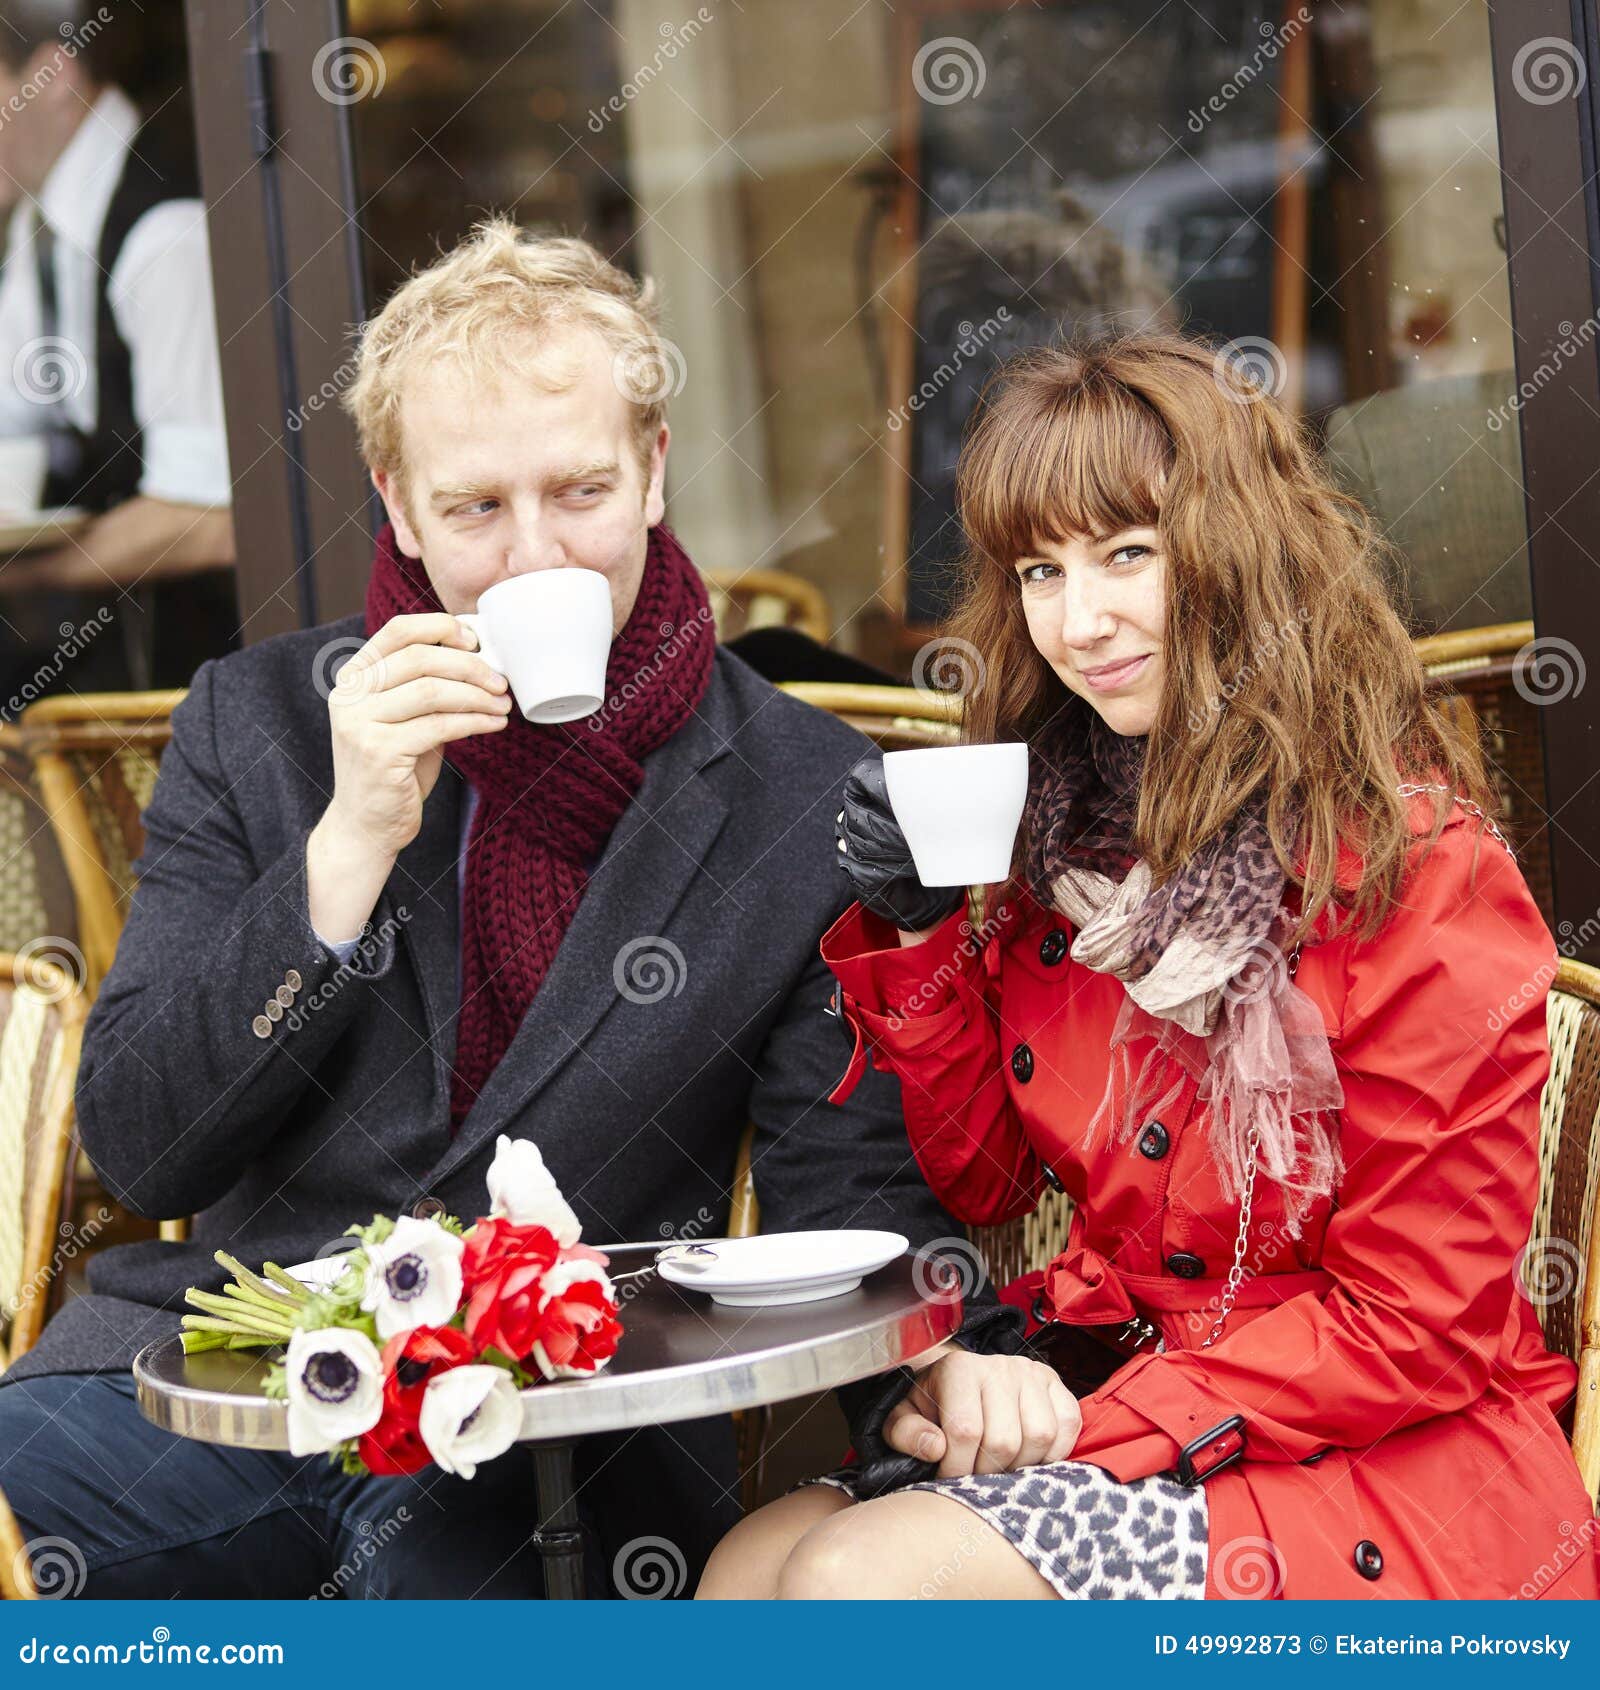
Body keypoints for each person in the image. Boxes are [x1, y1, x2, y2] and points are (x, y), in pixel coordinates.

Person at [0, 217, 1018, 1598]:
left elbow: (838, 1197)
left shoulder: (797, 789)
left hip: (559, 1433)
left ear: (654, 471)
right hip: (233, 1387)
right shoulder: (264, 728)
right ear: (399, 507)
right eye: (475, 508)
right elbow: (146, 1144)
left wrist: (927, 1376)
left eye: (579, 491)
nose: (536, 556)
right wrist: (346, 845)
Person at [698, 331, 1600, 1601]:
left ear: (1234, 555)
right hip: (1122, 1385)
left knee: (859, 1578)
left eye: (1129, 554)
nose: (1081, 621)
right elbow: (988, 1174)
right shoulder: (1064, 848)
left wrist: (1076, 1427)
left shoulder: (1415, 873)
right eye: (1040, 570)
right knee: (746, 1569)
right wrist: (918, 932)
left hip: (1380, 1462)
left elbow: (1417, 1331)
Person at [0, 0, 235, 697]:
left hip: (205, 676)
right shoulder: (37, 225)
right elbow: (14, 413)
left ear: (51, 77)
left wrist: (27, 574)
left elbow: (209, 519)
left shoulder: (165, 232)